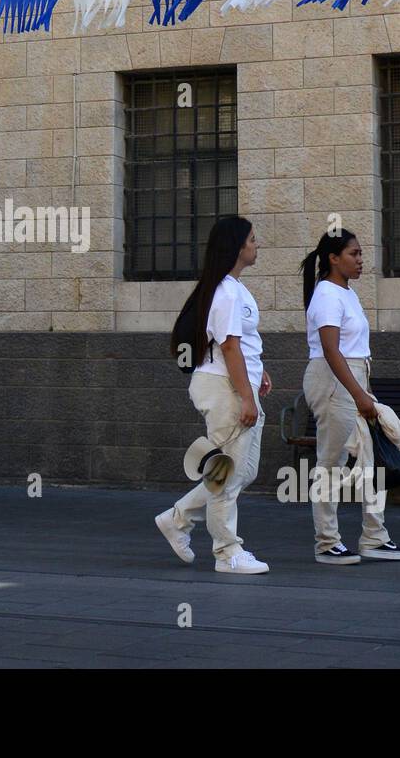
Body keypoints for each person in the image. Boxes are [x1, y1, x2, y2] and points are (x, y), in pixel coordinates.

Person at [155, 217, 273, 575]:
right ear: (237, 246)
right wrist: (246, 398)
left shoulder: (236, 288)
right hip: (225, 388)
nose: (257, 245)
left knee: (243, 471)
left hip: (238, 383)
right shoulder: (225, 291)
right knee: (229, 471)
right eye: (253, 239)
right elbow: (230, 347)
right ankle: (227, 553)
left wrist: (259, 373)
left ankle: (177, 519)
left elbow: (240, 346)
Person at [298, 229, 400, 564]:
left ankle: (374, 537)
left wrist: (364, 389)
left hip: (353, 377)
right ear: (333, 258)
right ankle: (327, 542)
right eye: (354, 254)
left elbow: (353, 349)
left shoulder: (347, 293)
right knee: (331, 463)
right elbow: (332, 351)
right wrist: (359, 393)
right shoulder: (328, 295)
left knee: (373, 457)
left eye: (361, 254)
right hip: (334, 380)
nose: (361, 260)